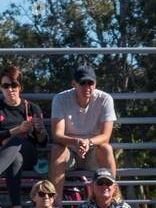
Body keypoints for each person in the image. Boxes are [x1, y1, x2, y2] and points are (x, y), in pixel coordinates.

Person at [49, 64, 116, 200]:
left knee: (106, 149)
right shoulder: (60, 99)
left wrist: (88, 142)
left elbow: (106, 136)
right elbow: (57, 135)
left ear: (95, 84)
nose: (87, 87)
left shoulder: (105, 99)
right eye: (82, 83)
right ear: (74, 84)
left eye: (90, 83)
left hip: (93, 152)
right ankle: (55, 207)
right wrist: (76, 142)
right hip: (69, 153)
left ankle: (112, 201)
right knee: (56, 150)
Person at [0, 65, 47, 208]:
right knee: (16, 157)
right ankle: (17, 207)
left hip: (28, 154)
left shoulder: (32, 108)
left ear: (20, 87)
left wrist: (39, 130)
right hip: (2, 155)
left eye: (14, 85)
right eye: (6, 86)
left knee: (17, 143)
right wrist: (17, 130)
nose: (10, 89)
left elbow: (43, 142)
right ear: (1, 88)